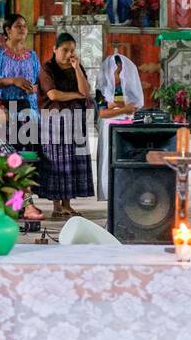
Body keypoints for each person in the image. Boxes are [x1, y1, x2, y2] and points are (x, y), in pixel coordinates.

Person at [37, 33, 94, 219]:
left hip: (75, 119)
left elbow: (85, 91)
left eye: (72, 50)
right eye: (64, 50)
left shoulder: (75, 66)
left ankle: (67, 204)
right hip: (54, 119)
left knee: (72, 162)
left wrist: (77, 68)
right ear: (54, 49)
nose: (69, 54)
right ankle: (56, 205)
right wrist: (76, 95)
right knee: (57, 161)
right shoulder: (47, 68)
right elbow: (53, 95)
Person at [95, 51, 145, 201]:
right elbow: (103, 113)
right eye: (116, 71)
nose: (120, 75)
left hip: (126, 128)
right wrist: (124, 109)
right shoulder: (101, 90)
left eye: (121, 71)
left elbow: (135, 105)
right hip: (110, 129)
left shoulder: (125, 88)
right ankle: (110, 190)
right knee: (110, 160)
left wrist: (121, 108)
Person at [0, 13, 40, 146]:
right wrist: (12, 81)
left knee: (28, 151)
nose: (23, 29)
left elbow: (39, 81)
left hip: (27, 107)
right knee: (4, 151)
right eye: (18, 26)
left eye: (24, 26)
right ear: (8, 30)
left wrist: (34, 88)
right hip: (2, 107)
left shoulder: (32, 55)